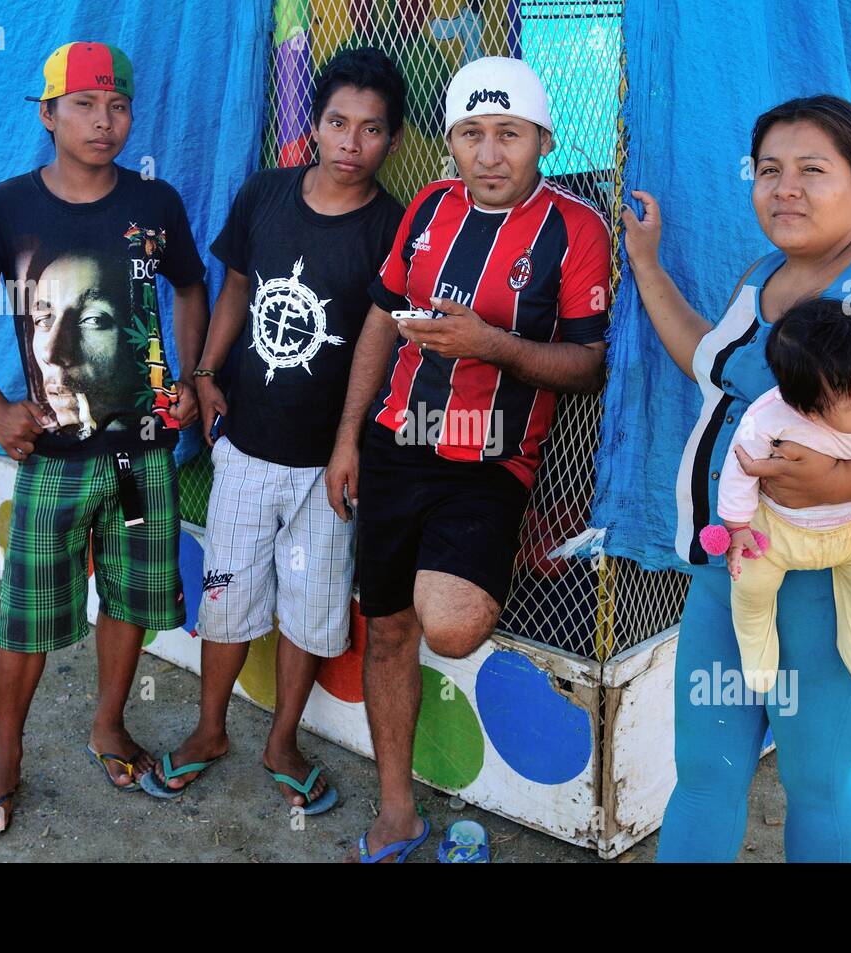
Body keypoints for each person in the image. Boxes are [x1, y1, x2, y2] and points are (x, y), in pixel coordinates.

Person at [621, 94, 851, 862]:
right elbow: (710, 364)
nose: (784, 187)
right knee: (705, 775)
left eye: (811, 170)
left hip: (838, 576)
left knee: (815, 781)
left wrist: (839, 482)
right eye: (769, 170)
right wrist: (646, 265)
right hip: (738, 565)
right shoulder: (762, 274)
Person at [326, 56, 612, 862]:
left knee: (447, 627)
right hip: (395, 443)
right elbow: (382, 319)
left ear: (542, 141)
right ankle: (395, 810)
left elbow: (592, 367)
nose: (490, 154)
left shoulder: (576, 227)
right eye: (472, 135)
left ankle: (501, 551)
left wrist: (491, 345)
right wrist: (349, 436)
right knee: (385, 630)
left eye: (509, 135)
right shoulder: (426, 207)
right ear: (450, 142)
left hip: (492, 459)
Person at [0, 42, 209, 838]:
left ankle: (109, 724)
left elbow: (191, 284)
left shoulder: (157, 205)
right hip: (52, 456)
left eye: (116, 105)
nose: (103, 121)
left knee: (133, 597)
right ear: (47, 115)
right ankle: (5, 755)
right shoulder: (5, 209)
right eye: (83, 105)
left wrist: (191, 373)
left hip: (141, 455)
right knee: (27, 614)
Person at [140, 49, 406, 814]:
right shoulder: (264, 193)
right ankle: (209, 728)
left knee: (312, 607)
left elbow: (378, 346)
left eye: (372, 129)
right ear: (313, 127)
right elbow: (237, 290)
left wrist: (352, 444)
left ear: (392, 139)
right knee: (224, 594)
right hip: (247, 447)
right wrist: (205, 372)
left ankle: (282, 738)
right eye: (337, 123)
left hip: (329, 465)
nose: (352, 143)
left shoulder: (393, 226)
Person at [704, 298, 851, 693]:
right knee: (751, 585)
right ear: (808, 410)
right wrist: (737, 527)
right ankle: (756, 641)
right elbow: (741, 470)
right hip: (778, 530)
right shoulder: (767, 419)